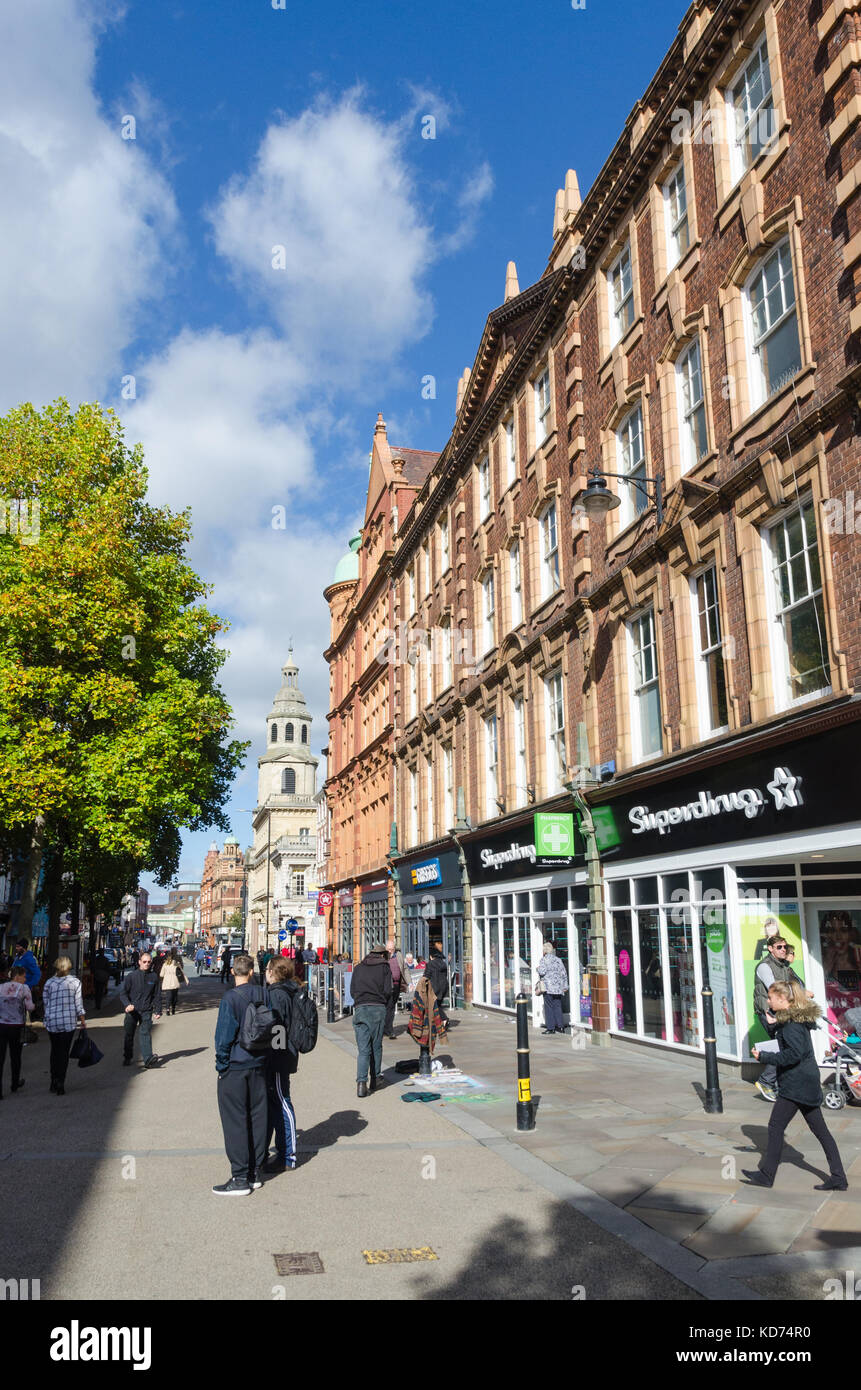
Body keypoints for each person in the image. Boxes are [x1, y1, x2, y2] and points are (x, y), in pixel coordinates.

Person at [743, 980, 848, 1191]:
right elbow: (790, 1044)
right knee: (820, 1132)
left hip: (796, 1084)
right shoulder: (793, 1020)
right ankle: (838, 1178)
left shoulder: (791, 1025)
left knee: (775, 1126)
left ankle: (766, 1175)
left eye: (771, 997)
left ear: (783, 999)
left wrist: (764, 1055)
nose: (768, 1000)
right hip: (804, 1082)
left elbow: (793, 1055)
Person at [212, 953, 268, 1195]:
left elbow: (223, 1036)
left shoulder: (230, 998)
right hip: (260, 1063)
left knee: (235, 1120)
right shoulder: (264, 994)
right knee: (258, 1118)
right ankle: (255, 1172)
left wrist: (221, 1065)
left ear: (234, 972)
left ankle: (240, 1177)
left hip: (236, 1064)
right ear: (252, 972)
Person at [263, 956, 300, 1174]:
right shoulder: (286, 991)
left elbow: (278, 1028)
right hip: (283, 1053)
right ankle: (283, 1150)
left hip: (279, 1056)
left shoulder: (277, 995)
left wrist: (271, 1054)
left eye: (268, 968)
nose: (265, 971)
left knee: (283, 1101)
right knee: (277, 1102)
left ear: (274, 972)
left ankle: (288, 1155)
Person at [752, 934, 796, 1102]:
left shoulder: (783, 965)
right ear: (770, 949)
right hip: (769, 1012)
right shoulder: (764, 966)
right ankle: (766, 1081)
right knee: (782, 1045)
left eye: (785, 947)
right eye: (779, 947)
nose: (783, 949)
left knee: (783, 1044)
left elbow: (791, 983)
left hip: (779, 1010)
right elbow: (775, 989)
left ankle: (777, 1082)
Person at [350, 944, 392, 1098]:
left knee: (363, 1049)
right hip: (377, 1008)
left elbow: (352, 990)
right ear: (382, 955)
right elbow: (388, 990)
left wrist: (360, 1000)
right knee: (376, 1046)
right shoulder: (384, 967)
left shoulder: (358, 967)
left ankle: (361, 1083)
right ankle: (375, 1079)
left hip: (360, 1008)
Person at [42, 956, 86, 1095]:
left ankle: (53, 1080)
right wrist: (83, 1020)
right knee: (64, 1052)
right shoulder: (75, 982)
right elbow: (78, 1004)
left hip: (52, 1020)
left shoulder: (49, 983)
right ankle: (61, 1081)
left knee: (54, 1050)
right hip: (68, 1021)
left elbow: (45, 1002)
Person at [118, 952, 162, 1068]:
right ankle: (127, 1056)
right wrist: (127, 1005)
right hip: (132, 1012)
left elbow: (157, 995)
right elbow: (123, 993)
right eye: (144, 962)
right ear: (139, 962)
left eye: (149, 962)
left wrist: (158, 1010)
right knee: (129, 1035)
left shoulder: (154, 977)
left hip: (146, 1010)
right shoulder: (131, 976)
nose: (147, 964)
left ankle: (148, 1059)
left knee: (145, 1033)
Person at [0, 964, 34, 1097]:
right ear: (17, 976)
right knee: (15, 1056)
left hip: (1, 1025)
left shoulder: (1, 987)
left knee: (0, 1058)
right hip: (16, 1026)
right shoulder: (24, 988)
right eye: (24, 976)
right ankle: (14, 1083)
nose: (25, 979)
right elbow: (30, 1007)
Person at [537, 941, 569, 1034]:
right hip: (558, 988)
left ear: (544, 950)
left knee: (549, 1007)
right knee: (558, 1006)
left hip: (548, 987)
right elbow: (564, 973)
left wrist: (537, 969)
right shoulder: (558, 960)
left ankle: (551, 1028)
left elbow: (542, 972)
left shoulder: (544, 960)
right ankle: (560, 1026)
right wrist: (565, 986)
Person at [383, 935, 411, 1039]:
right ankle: (389, 1030)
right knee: (388, 1007)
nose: (390, 951)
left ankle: (386, 1029)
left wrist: (409, 982)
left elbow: (405, 968)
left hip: (396, 985)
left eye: (392, 949)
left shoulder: (398, 955)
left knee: (390, 1007)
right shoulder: (383, 956)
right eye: (388, 949)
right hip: (386, 986)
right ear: (386, 948)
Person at [425, 943, 449, 1025]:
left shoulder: (430, 964)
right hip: (443, 988)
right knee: (437, 1005)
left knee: (435, 1006)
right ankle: (439, 1022)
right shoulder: (443, 964)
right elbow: (445, 976)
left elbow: (426, 976)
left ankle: (444, 1019)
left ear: (431, 956)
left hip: (434, 988)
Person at [159, 949, 187, 1016]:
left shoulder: (165, 964)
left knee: (168, 997)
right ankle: (173, 1008)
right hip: (175, 981)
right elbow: (181, 970)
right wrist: (185, 979)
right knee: (174, 996)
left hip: (167, 982)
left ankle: (168, 1009)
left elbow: (161, 974)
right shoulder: (175, 963)